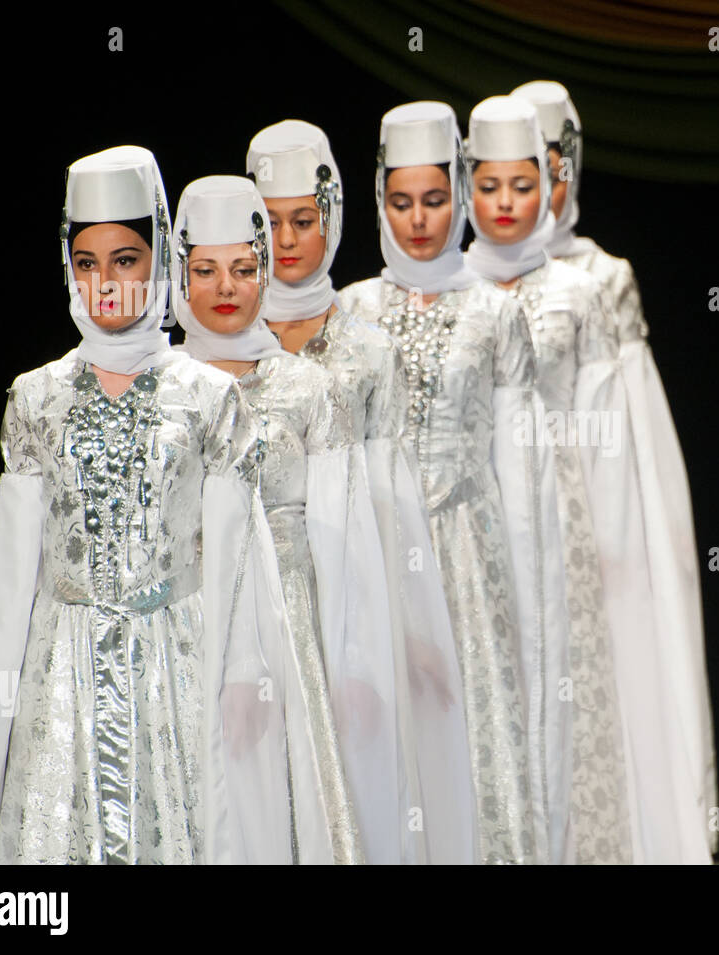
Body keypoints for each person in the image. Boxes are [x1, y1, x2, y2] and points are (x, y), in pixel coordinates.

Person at [0, 147, 317, 864]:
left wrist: (247, 685)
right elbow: (5, 590)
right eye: (87, 262)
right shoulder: (36, 396)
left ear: (158, 256)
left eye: (126, 259)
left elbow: (241, 573)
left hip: (176, 676)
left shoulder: (209, 397)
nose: (107, 284)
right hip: (61, 682)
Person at [339, 100, 565, 863]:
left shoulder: (494, 313)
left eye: (435, 200)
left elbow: (520, 470)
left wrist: (527, 593)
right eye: (401, 202)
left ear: (460, 195)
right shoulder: (352, 311)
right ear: (378, 201)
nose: (418, 220)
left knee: (470, 724)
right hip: (376, 551)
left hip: (469, 550)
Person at [510, 80, 718, 854]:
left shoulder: (601, 278)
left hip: (588, 519)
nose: (540, 189)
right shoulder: (466, 281)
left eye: (551, 168)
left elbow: (633, 437)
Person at [171, 173, 381, 864]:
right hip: (187, 626)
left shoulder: (308, 389)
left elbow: (344, 545)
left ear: (265, 271)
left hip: (291, 629)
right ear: (178, 272)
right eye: (205, 269)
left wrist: (354, 663)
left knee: (291, 802)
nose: (226, 286)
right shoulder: (162, 390)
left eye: (242, 267)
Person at [245, 119, 435, 864]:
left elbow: (395, 514)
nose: (288, 239)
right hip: (251, 602)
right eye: (270, 222)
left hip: (348, 606)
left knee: (351, 776)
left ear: (334, 213)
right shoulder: (218, 352)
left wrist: (404, 631)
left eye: (304, 219)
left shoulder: (367, 352)